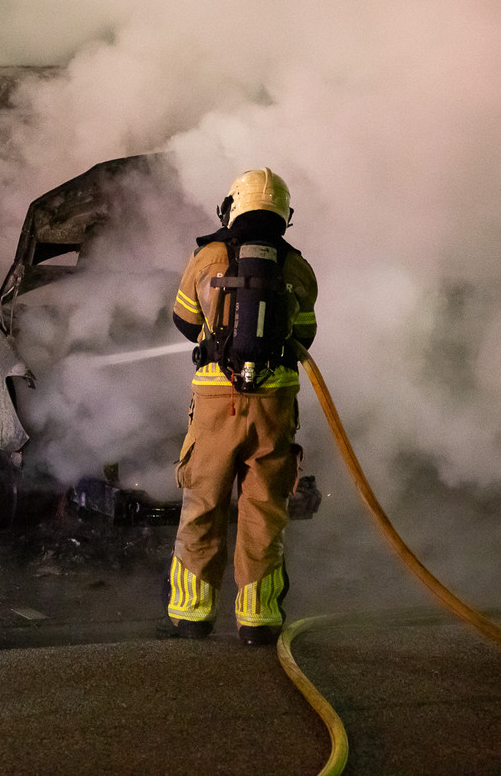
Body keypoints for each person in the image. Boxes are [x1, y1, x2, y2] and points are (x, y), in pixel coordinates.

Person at [164, 167, 317, 646]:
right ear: (283, 217)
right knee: (265, 511)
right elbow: (305, 335)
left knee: (204, 502)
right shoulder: (298, 268)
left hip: (215, 404)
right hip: (274, 404)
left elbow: (185, 323)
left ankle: (192, 613)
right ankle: (259, 620)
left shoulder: (208, 256)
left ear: (231, 207)